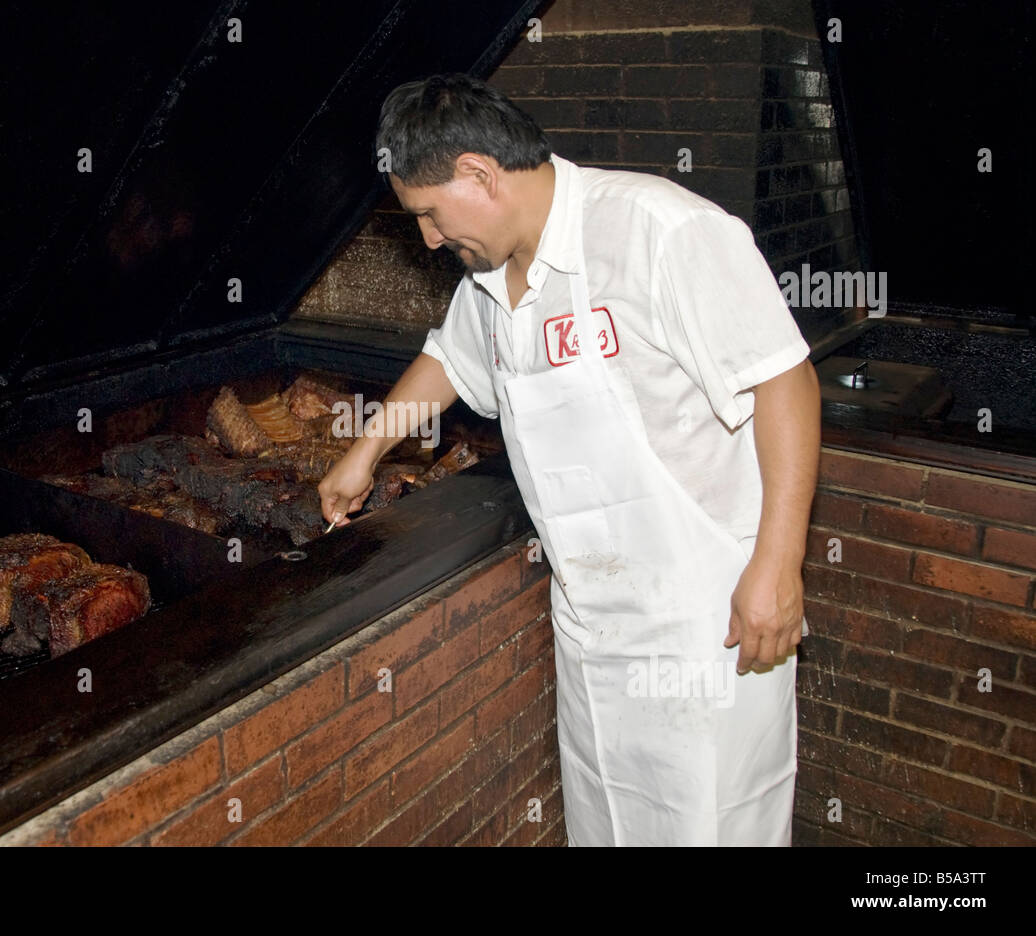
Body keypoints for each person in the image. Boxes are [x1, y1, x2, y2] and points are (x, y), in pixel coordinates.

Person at [318, 73, 820, 846]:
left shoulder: (659, 231)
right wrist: (365, 451)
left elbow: (785, 381)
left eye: (427, 213)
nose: (426, 237)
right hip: (591, 626)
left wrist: (778, 568)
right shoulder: (487, 276)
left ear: (479, 174)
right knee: (607, 818)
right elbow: (449, 363)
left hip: (705, 619)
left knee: (712, 822)